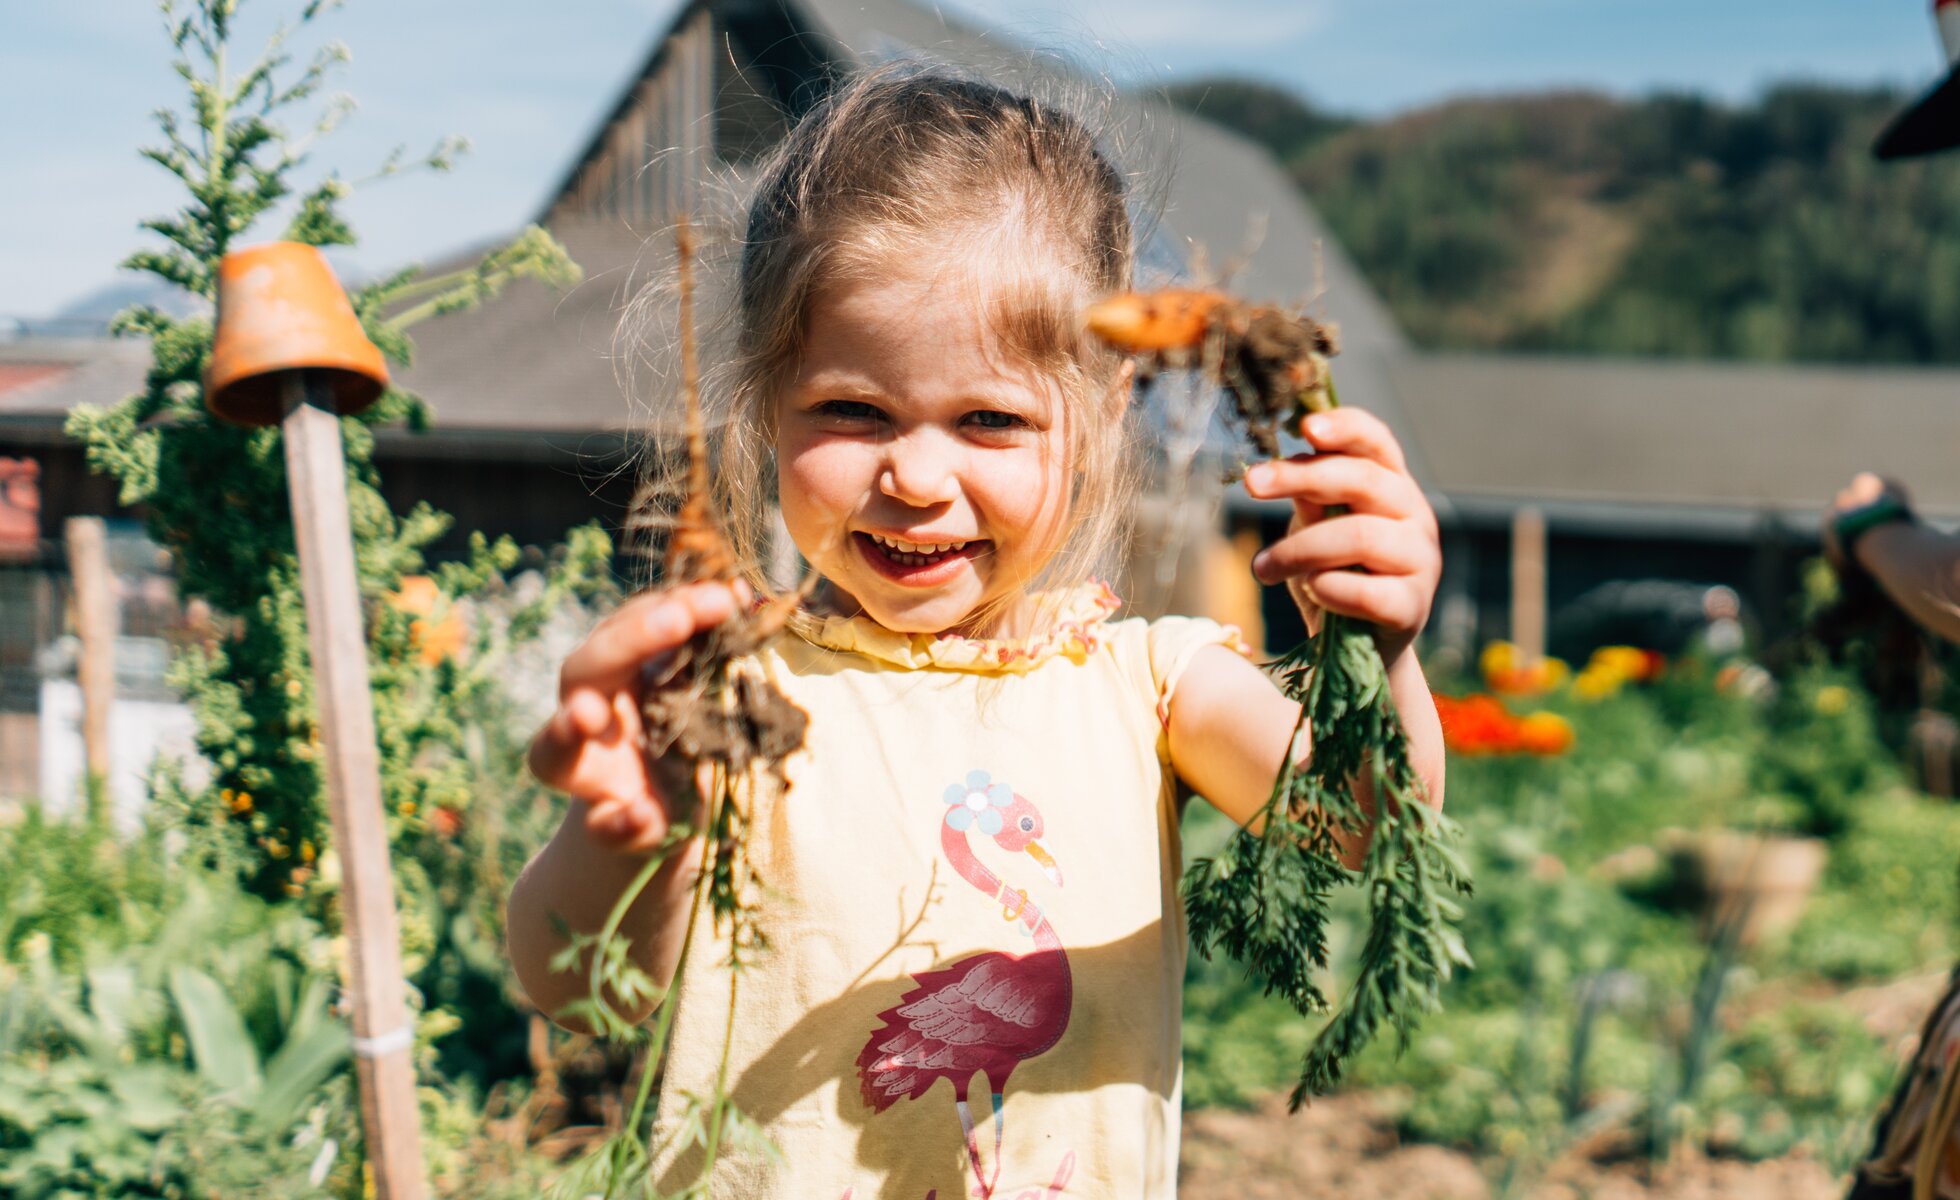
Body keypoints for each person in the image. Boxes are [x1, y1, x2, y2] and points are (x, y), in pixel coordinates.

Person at [505, 66, 1447, 1200]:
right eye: (852, 411)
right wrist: (628, 833)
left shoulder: (1144, 684)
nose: (914, 475)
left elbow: (1362, 829)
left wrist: (1377, 653)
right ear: (764, 402)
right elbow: (578, 991)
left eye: (989, 420)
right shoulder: (729, 694)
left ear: (1100, 419)